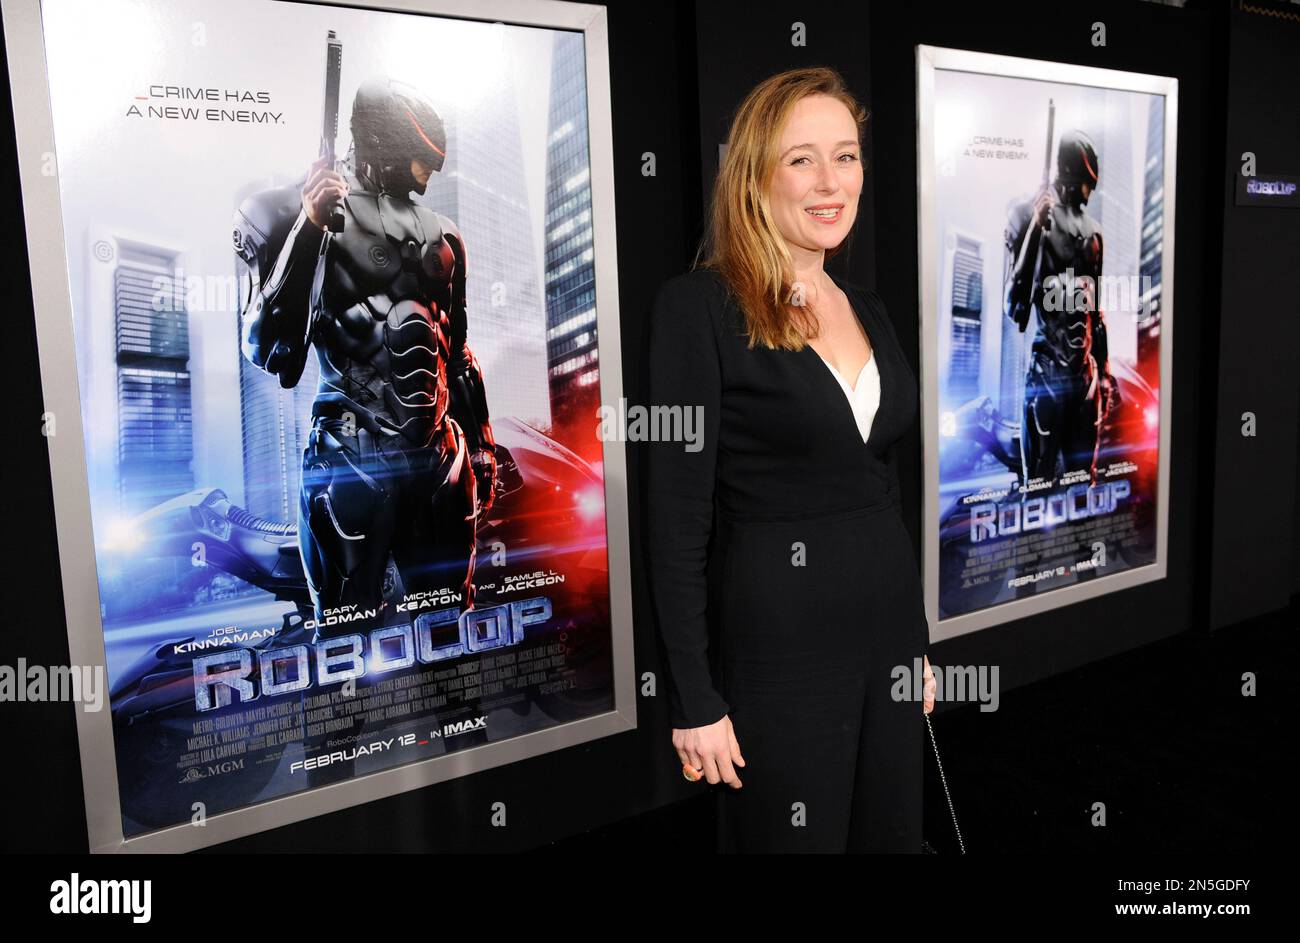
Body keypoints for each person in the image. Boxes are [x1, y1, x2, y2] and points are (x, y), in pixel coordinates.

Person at [644, 67, 935, 853]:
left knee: (893, 837)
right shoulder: (698, 309)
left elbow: (884, 486)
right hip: (777, 650)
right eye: (802, 158)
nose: (830, 180)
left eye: (846, 156)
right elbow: (675, 525)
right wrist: (694, 699)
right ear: (754, 175)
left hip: (886, 638)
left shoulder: (865, 305)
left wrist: (916, 641)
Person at [233, 77, 498, 638]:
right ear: (386, 143)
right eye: (420, 160)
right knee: (345, 646)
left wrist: (481, 444)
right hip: (351, 455)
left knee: (451, 637)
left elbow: (456, 355)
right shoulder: (291, 212)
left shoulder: (445, 238)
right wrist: (308, 226)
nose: (428, 175)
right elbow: (268, 348)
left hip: (438, 460)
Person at [1003, 129, 1121, 487]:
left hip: (1084, 381)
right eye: (1086, 182)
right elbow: (1014, 303)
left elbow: (1095, 313)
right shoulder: (1027, 213)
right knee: (1036, 482)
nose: (1088, 192)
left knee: (1082, 483)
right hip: (1047, 375)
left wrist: (1105, 370)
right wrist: (1036, 231)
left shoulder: (1094, 235)